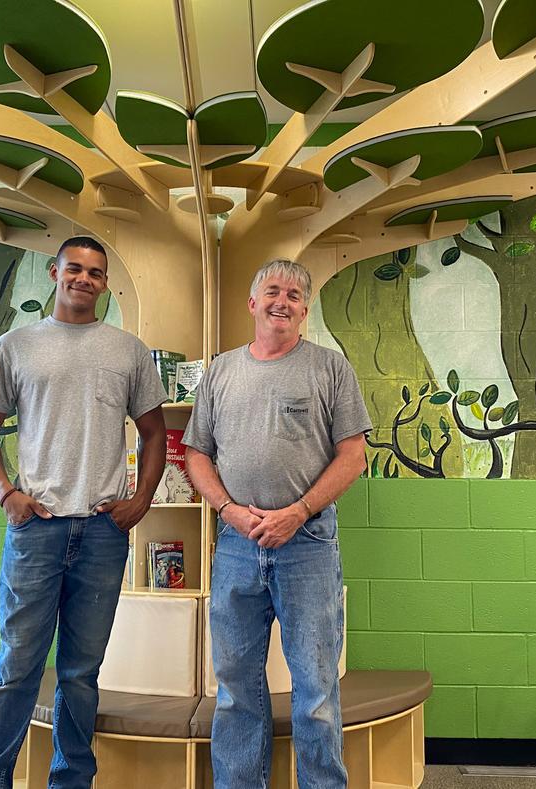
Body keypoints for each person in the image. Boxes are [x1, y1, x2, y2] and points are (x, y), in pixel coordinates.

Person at [0, 236, 167, 789]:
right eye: (73, 268)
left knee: (81, 674)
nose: (84, 279)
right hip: (37, 530)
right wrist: (7, 493)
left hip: (103, 533)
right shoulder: (16, 346)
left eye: (95, 273)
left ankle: (72, 780)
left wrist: (142, 498)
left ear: (105, 283)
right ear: (54, 272)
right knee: (17, 668)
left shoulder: (128, 351)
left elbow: (154, 434)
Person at [183, 259, 371, 789]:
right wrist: (230, 510)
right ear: (252, 302)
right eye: (272, 291)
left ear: (304, 311)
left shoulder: (329, 368)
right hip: (237, 545)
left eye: (293, 295)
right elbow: (197, 454)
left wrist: (298, 512)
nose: (281, 301)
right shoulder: (221, 370)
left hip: (307, 544)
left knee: (314, 692)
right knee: (237, 687)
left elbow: (353, 456)